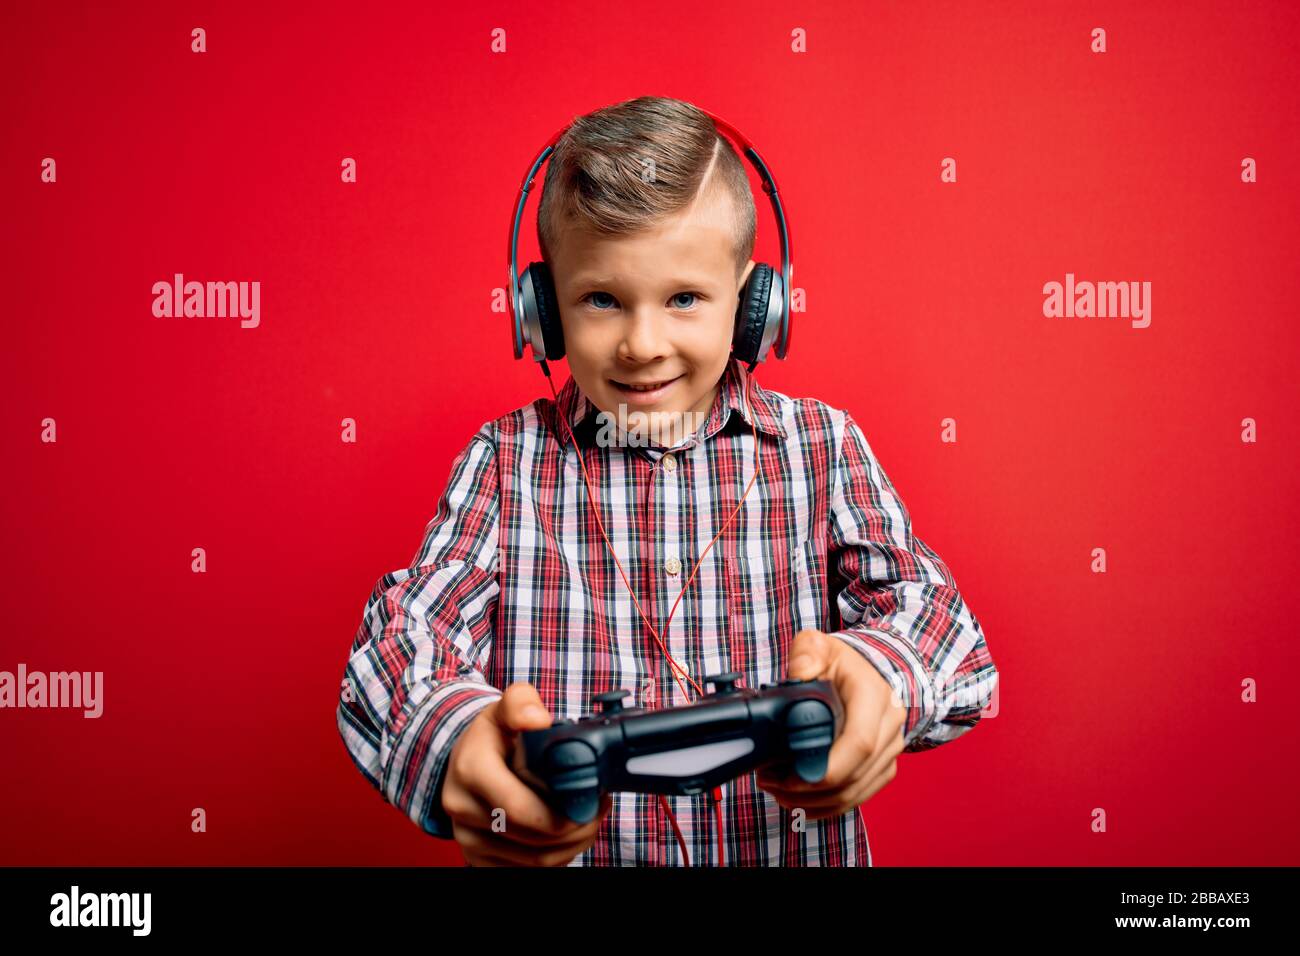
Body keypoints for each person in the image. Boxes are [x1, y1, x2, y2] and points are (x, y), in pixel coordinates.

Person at [336, 95, 999, 866]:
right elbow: (400, 641)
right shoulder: (504, 462)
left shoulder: (823, 447)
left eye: (684, 298)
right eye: (601, 300)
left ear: (758, 305)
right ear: (540, 310)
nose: (642, 344)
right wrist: (453, 734)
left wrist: (883, 675)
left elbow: (948, 631)